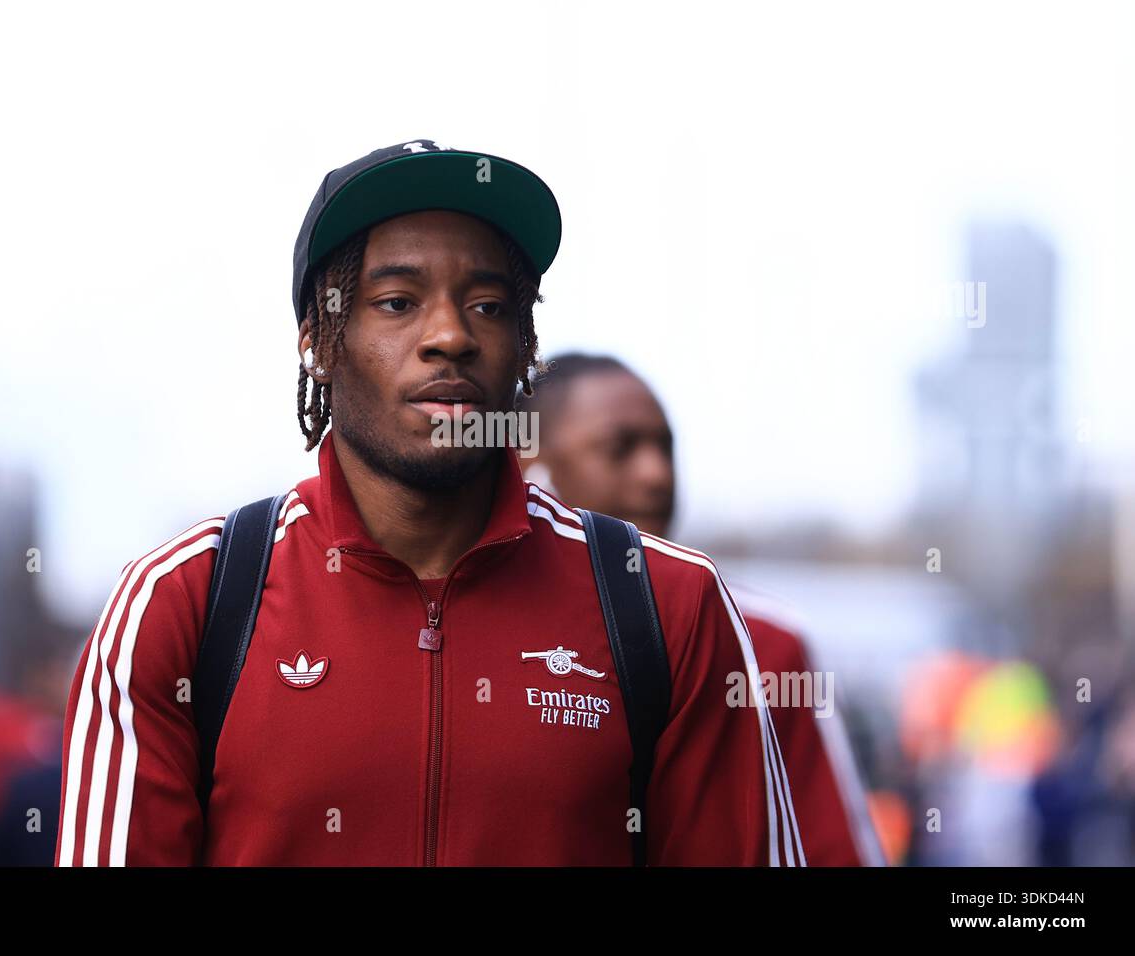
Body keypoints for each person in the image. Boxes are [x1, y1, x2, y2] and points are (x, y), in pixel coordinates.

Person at [55, 140, 800, 866]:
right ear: (318, 339)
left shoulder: (670, 604)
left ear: (526, 344)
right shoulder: (182, 601)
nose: (450, 336)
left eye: (488, 305)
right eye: (397, 301)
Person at [518, 353, 886, 865]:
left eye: (665, 448)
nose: (656, 474)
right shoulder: (473, 623)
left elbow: (836, 853)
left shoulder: (764, 641)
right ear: (527, 464)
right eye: (620, 448)